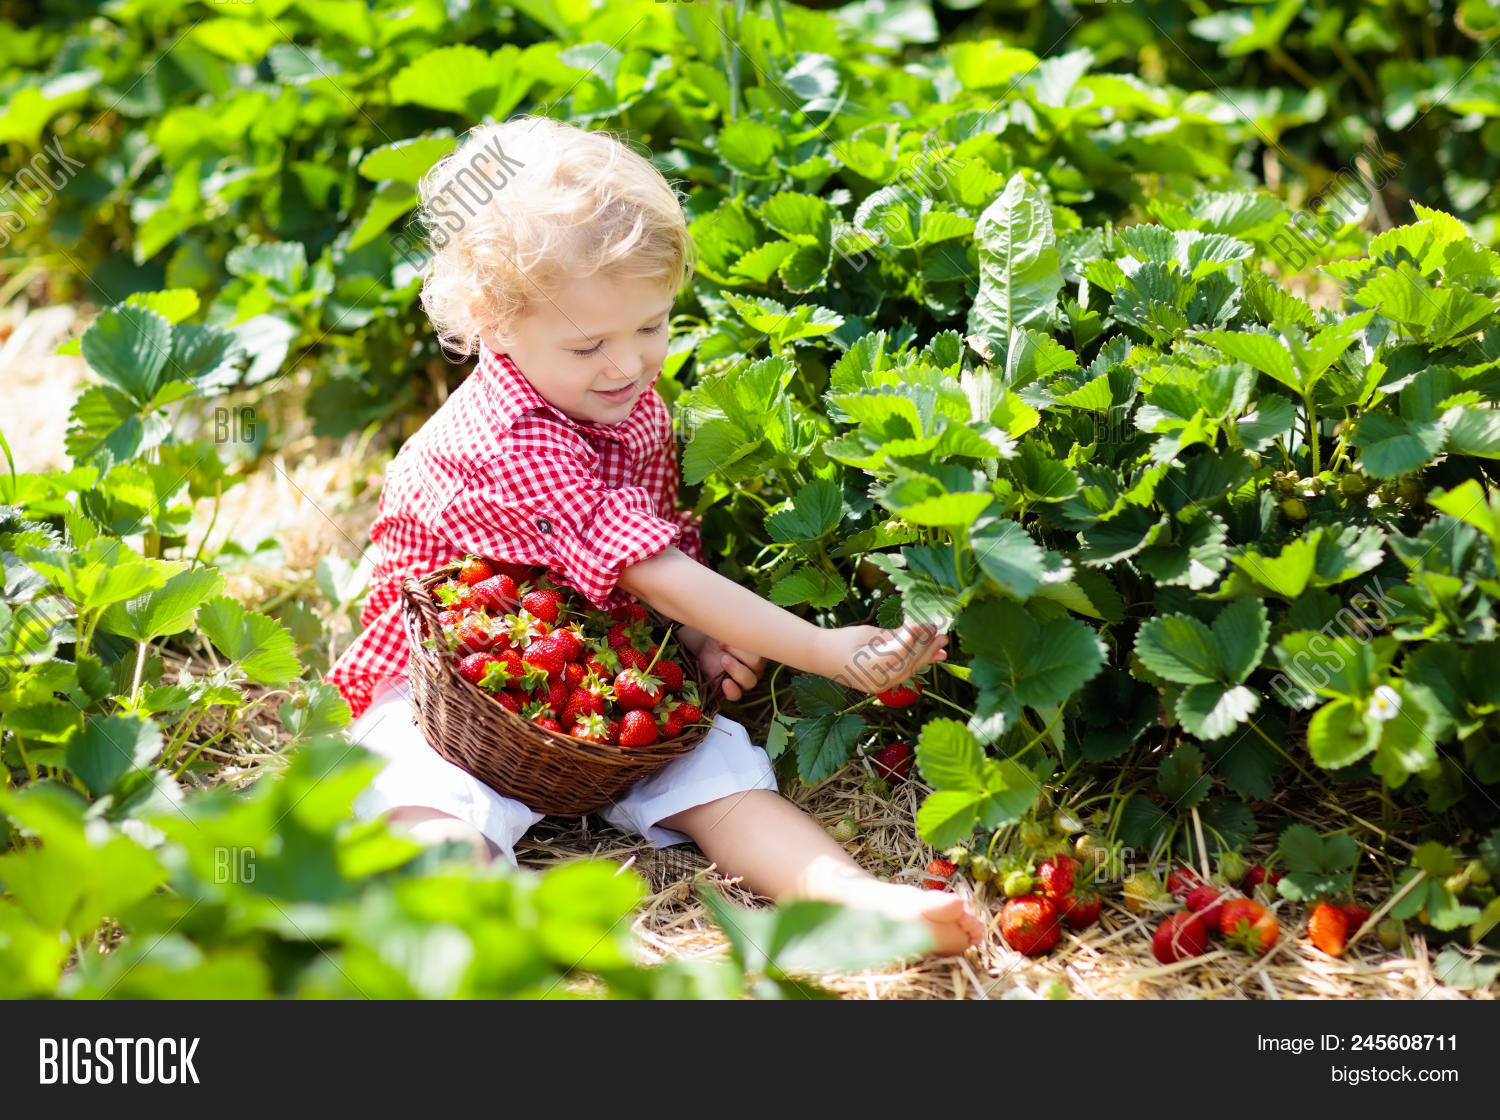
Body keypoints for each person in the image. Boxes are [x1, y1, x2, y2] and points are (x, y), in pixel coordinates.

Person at [325, 115, 981, 956]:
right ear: (493, 321)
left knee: (726, 782)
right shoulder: (515, 437)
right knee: (432, 809)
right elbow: (653, 569)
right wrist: (824, 651)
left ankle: (849, 899)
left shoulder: (621, 399)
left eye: (651, 326)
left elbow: (653, 541)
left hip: (606, 678)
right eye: (589, 343)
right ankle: (467, 934)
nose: (627, 365)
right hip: (454, 685)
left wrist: (703, 638)